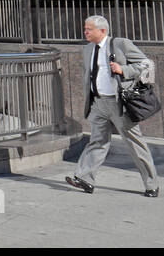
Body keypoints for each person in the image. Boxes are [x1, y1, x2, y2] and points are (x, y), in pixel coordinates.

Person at [67, 15, 159, 197]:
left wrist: (123, 69)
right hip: (98, 103)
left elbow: (146, 64)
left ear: (102, 31)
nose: (85, 32)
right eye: (85, 28)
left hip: (118, 104)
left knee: (134, 143)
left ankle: (151, 184)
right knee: (97, 141)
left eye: (89, 29)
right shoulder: (87, 49)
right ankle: (85, 178)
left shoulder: (120, 44)